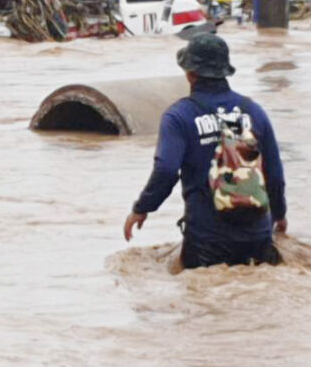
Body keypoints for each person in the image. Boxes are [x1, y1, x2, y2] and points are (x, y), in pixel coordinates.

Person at [123, 33, 288, 268]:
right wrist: (279, 215)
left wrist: (142, 208)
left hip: (206, 241)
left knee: (198, 301)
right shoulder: (253, 111)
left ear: (190, 74)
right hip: (257, 238)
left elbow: (167, 170)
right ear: (225, 72)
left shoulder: (179, 116)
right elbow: (275, 175)